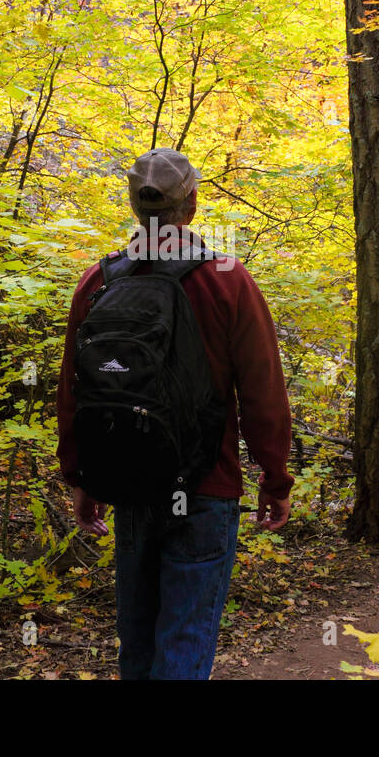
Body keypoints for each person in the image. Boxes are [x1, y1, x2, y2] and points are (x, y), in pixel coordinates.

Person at [55, 147, 294, 680]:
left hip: (128, 479)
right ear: (192, 204)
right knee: (184, 638)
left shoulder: (99, 280)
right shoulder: (228, 278)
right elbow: (263, 394)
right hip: (206, 484)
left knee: (137, 643)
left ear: (136, 207)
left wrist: (81, 478)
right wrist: (274, 479)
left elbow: (74, 392)